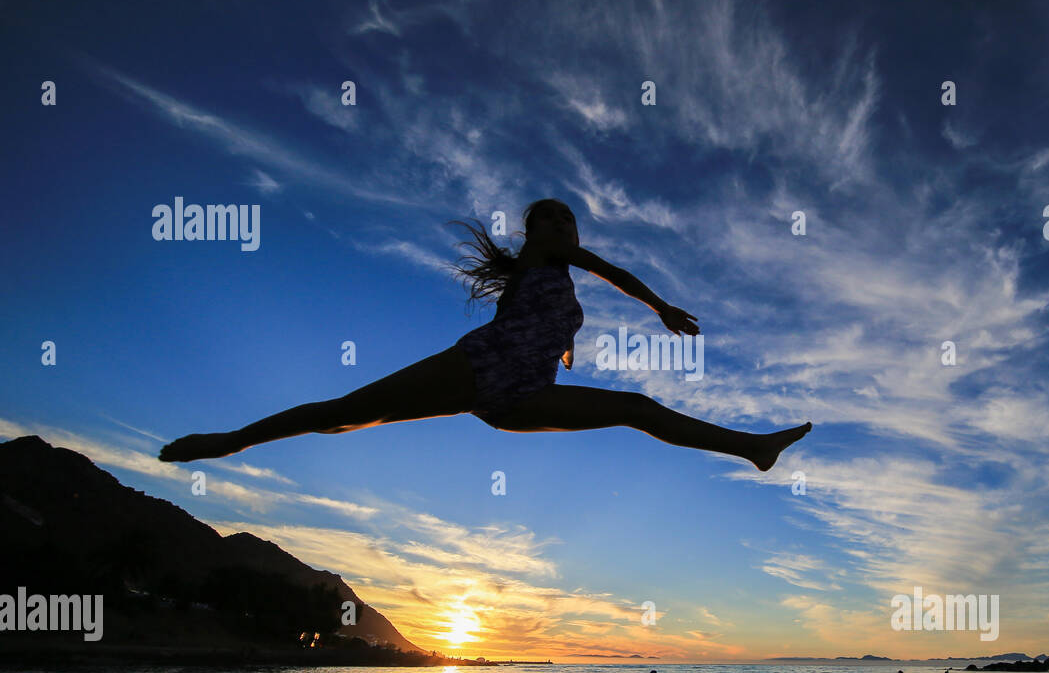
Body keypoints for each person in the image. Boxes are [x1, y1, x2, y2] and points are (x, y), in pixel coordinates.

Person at [159, 199, 812, 470]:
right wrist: (661, 306)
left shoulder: (552, 283)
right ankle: (232, 440)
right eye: (549, 221)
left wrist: (563, 341)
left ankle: (752, 448)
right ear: (534, 236)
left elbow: (536, 316)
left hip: (525, 395)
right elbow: (607, 269)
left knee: (633, 409)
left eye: (567, 221)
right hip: (481, 369)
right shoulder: (546, 259)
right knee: (343, 415)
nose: (560, 227)